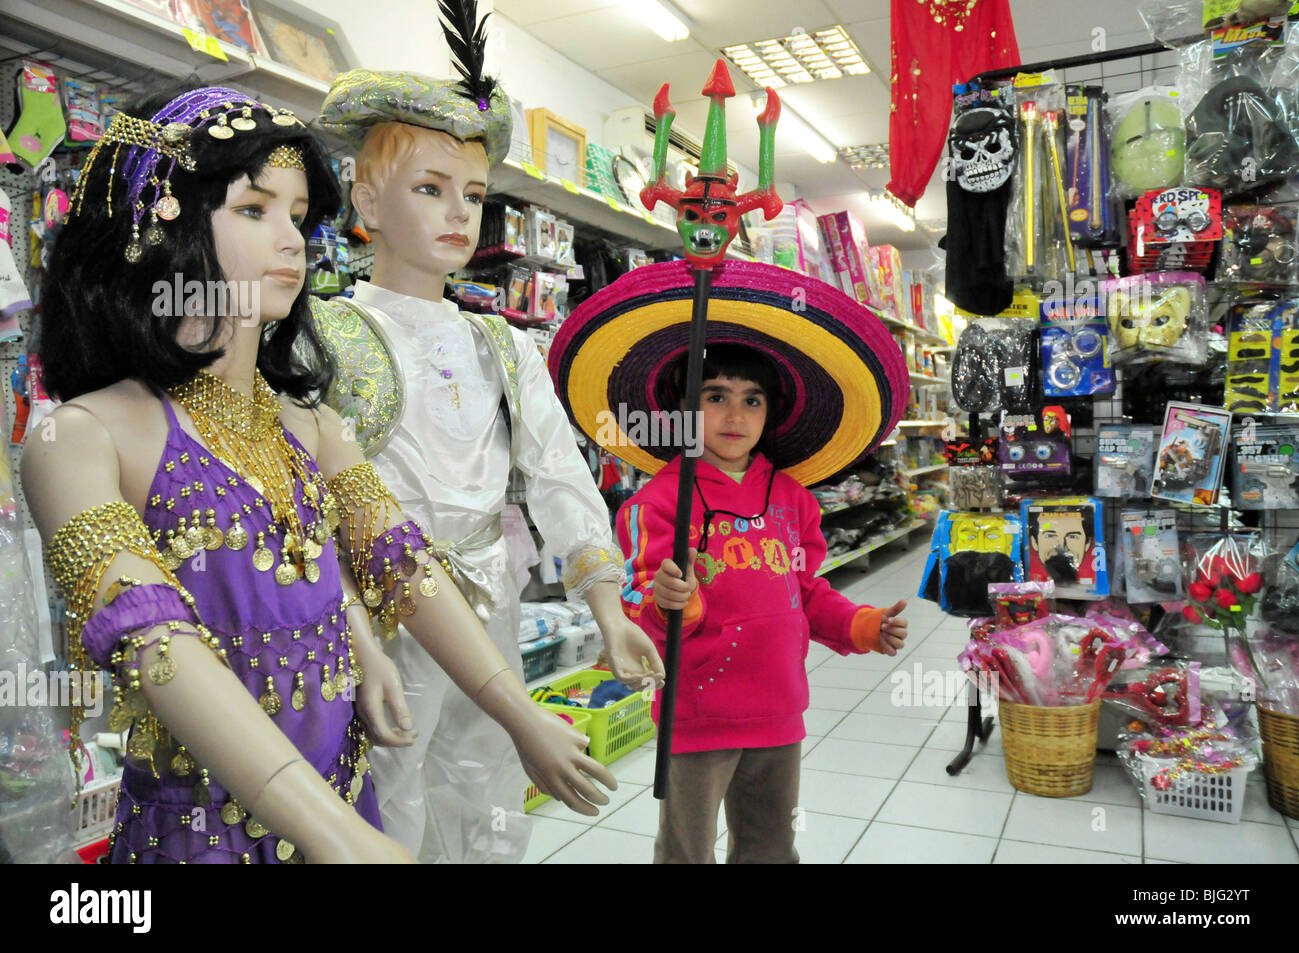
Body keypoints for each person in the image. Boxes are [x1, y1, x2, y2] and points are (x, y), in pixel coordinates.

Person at [24, 85, 612, 864]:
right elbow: (156, 642)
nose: (292, 240)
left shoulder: (314, 427)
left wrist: (517, 712)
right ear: (161, 222)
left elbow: (409, 571)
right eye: (254, 209)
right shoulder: (81, 435)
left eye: (298, 216)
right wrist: (339, 839)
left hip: (346, 795)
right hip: (205, 835)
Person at [310, 3, 662, 864]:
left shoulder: (503, 344)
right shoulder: (322, 335)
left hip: (492, 600)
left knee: (490, 800)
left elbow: (558, 476)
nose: (459, 214)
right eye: (429, 188)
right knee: (384, 803)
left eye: (472, 193)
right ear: (364, 196)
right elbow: (308, 503)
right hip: (378, 611)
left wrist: (607, 609)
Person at [615, 343, 909, 863]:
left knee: (771, 846)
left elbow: (805, 589)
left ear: (770, 412)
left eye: (752, 400)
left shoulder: (792, 498)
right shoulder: (657, 503)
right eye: (715, 396)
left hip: (777, 705)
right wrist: (666, 601)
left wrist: (860, 625)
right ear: (682, 410)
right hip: (698, 712)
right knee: (687, 849)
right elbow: (637, 602)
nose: (735, 415)